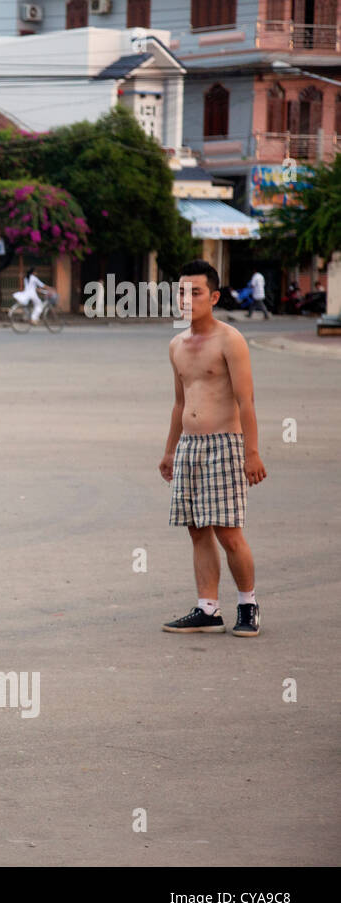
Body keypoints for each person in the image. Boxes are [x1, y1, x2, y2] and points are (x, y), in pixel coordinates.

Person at [159, 260, 267, 638]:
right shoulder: (176, 344)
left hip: (225, 443)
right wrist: (171, 450)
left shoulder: (230, 340)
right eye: (182, 292)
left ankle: (248, 604)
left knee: (228, 532)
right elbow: (178, 403)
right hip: (190, 445)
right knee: (197, 529)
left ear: (215, 297)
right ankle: (207, 608)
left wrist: (251, 452)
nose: (186, 299)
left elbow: (246, 400)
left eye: (196, 292)